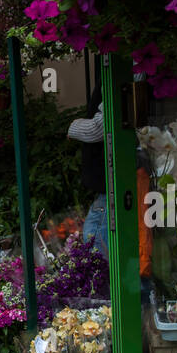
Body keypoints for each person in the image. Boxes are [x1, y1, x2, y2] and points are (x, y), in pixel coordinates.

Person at [67, 82, 107, 255]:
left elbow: (103, 125)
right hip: (108, 181)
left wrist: (73, 128)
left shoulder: (127, 66)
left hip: (113, 180)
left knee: (94, 239)